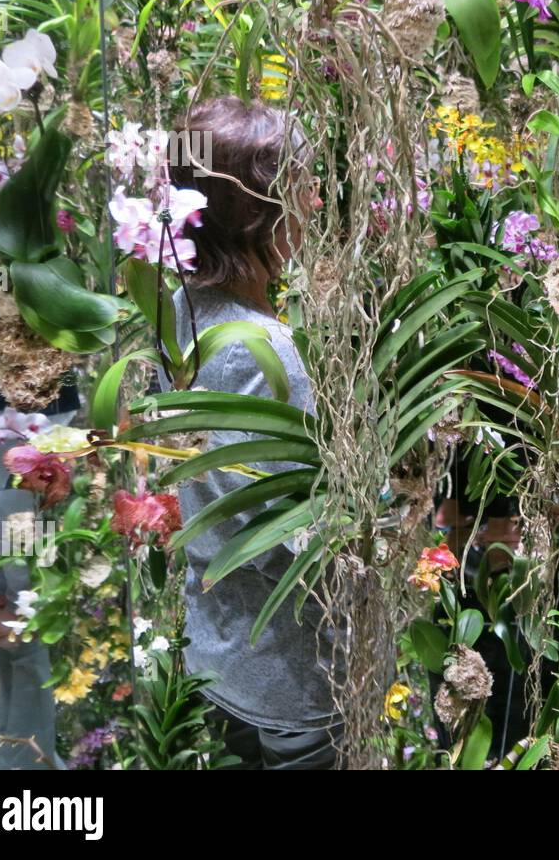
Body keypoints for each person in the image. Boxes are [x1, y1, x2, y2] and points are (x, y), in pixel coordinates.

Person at [164, 96, 338, 769]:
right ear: (255, 212)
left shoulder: (186, 303)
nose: (316, 201)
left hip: (222, 643)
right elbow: (288, 532)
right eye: (302, 185)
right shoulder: (260, 349)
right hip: (289, 666)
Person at [0, 301, 77, 769]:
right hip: (21, 399)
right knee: (1, 493)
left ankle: (12, 603)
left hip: (22, 399)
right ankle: (14, 606)